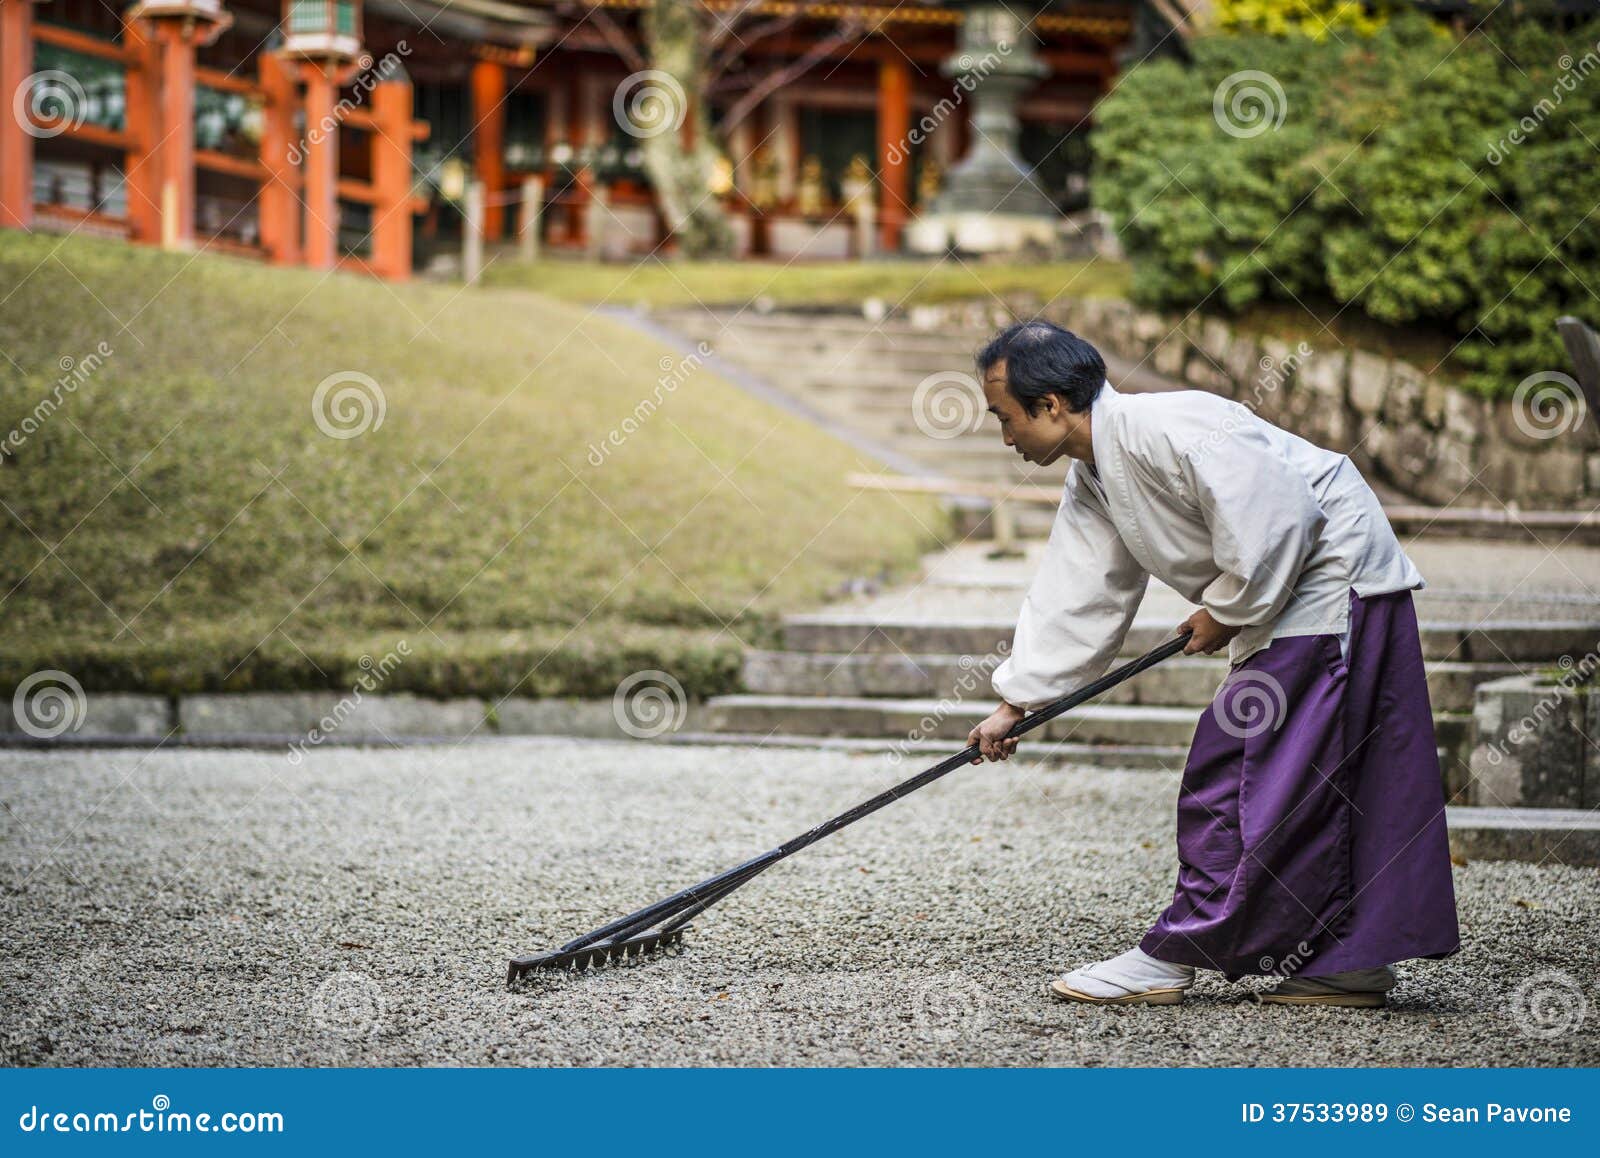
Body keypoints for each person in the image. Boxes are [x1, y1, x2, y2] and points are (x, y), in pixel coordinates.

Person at [965, 320, 1460, 1008]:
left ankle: (1176, 954)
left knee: (1236, 763)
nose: (1005, 437)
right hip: (1285, 594)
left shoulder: (1172, 422)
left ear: (1050, 405)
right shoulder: (1095, 475)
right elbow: (1078, 590)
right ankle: (1349, 962)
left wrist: (1228, 608)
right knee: (1319, 772)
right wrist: (1015, 702)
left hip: (1329, 578)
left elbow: (1282, 514)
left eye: (1005, 417)